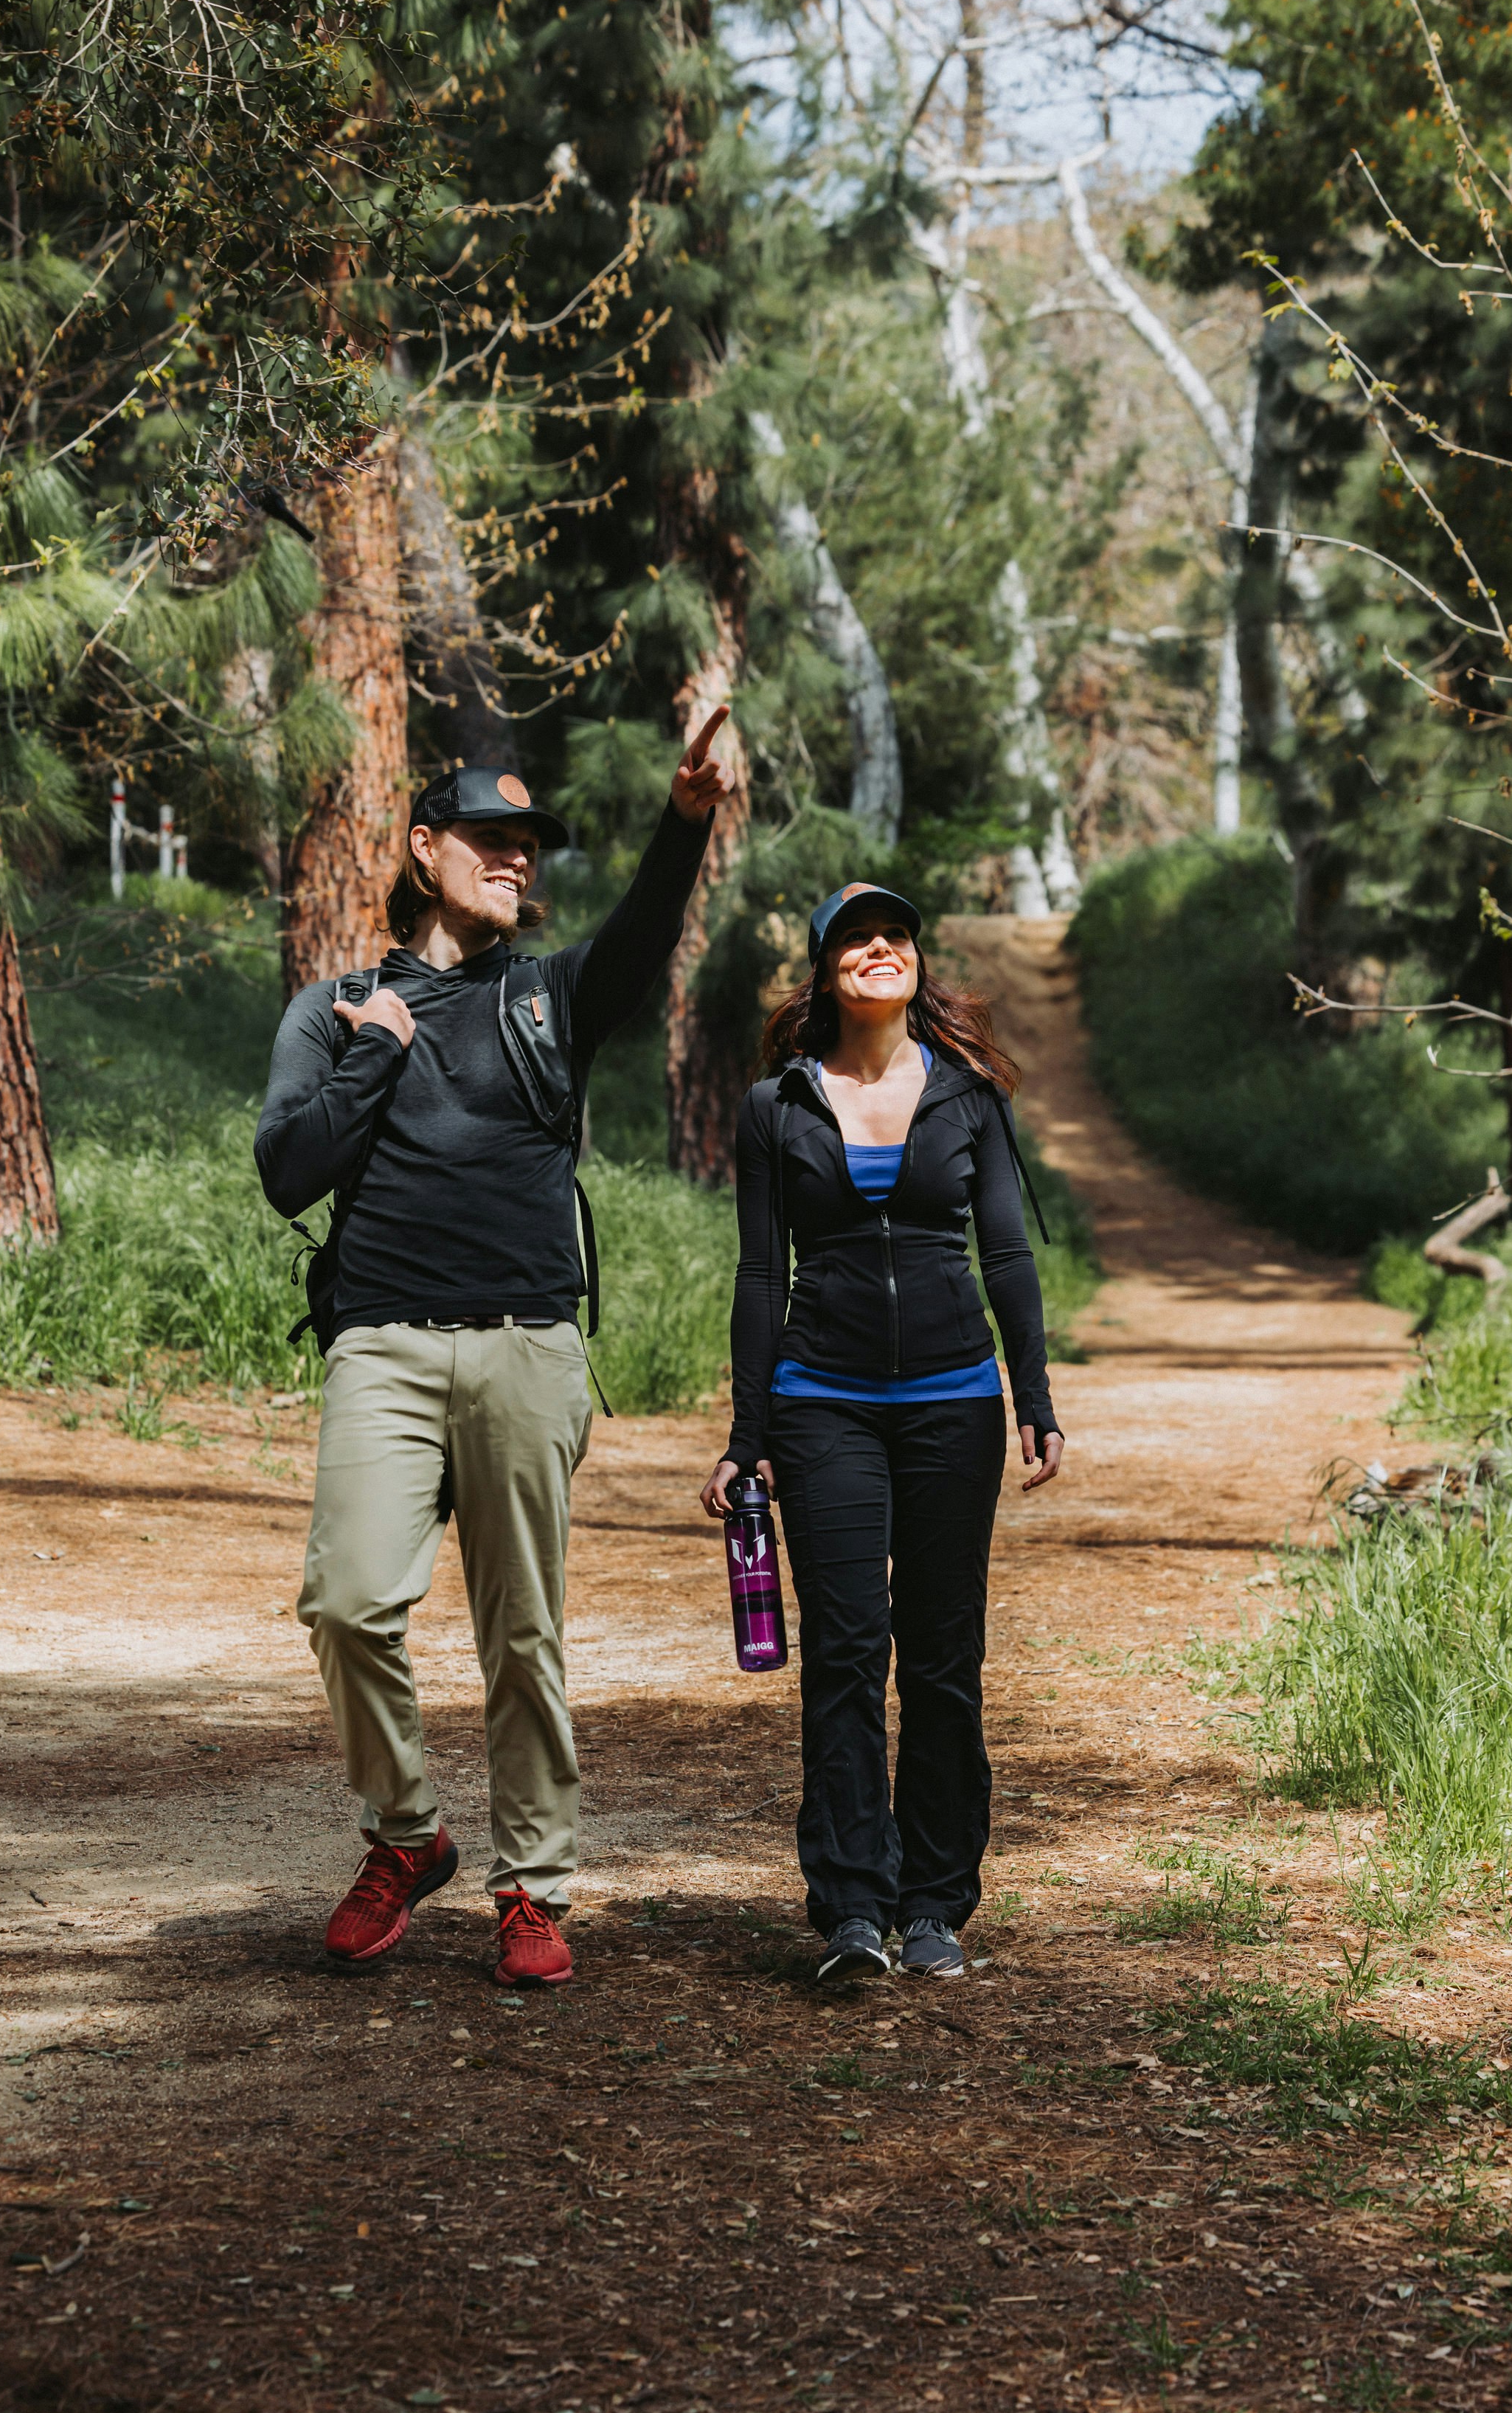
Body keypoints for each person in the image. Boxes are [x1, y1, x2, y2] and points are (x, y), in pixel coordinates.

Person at [257, 719, 733, 1987]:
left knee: (524, 1634)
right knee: (348, 1603)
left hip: (528, 1343)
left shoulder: (548, 995)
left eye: (529, 846)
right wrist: (373, 1050)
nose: (517, 860)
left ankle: (532, 1885)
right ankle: (407, 1836)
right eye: (491, 839)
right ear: (425, 849)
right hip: (385, 1346)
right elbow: (287, 1170)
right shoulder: (334, 1008)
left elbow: (637, 937)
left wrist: (685, 820)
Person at [699, 881, 1064, 1987]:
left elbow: (1007, 1254)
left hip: (956, 1402)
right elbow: (764, 1274)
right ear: (824, 970)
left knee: (945, 1658)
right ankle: (853, 1903)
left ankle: (936, 1903)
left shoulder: (970, 1097)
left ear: (915, 961)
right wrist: (745, 1427)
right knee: (849, 1651)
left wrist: (1035, 1396)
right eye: (855, 938)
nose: (878, 949)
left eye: (894, 935)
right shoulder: (778, 1106)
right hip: (824, 1406)